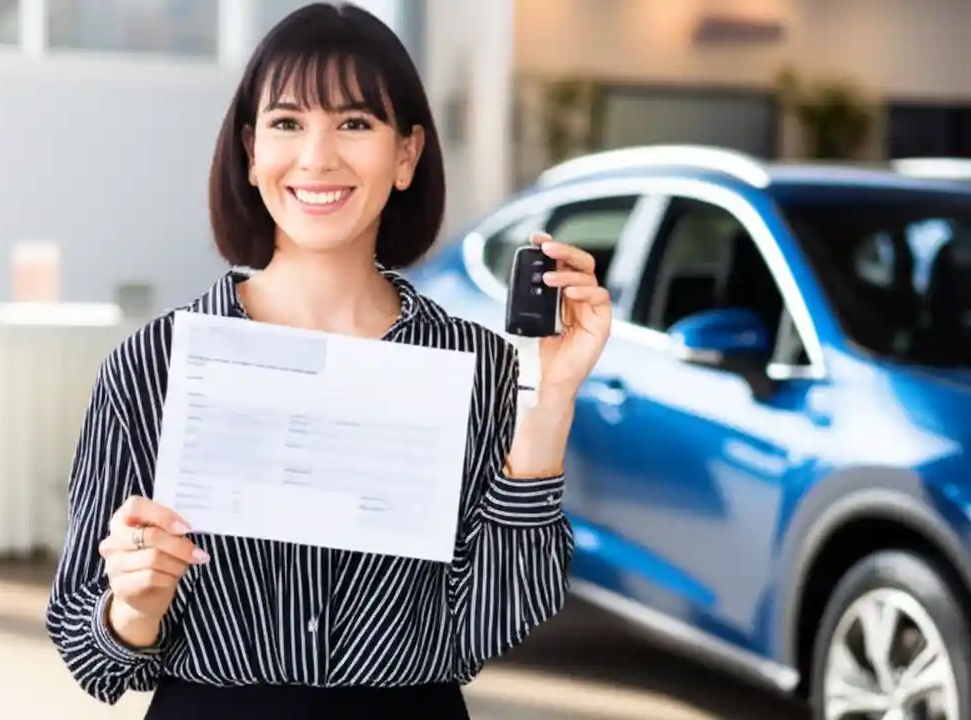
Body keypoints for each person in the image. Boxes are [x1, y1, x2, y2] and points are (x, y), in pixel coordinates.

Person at [43, 3, 611, 718]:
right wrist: (135, 606)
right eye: (287, 123)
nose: (316, 157)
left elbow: (491, 624)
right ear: (250, 152)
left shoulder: (475, 369)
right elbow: (85, 649)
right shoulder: (154, 364)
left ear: (406, 154)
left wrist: (548, 400)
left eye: (354, 123)